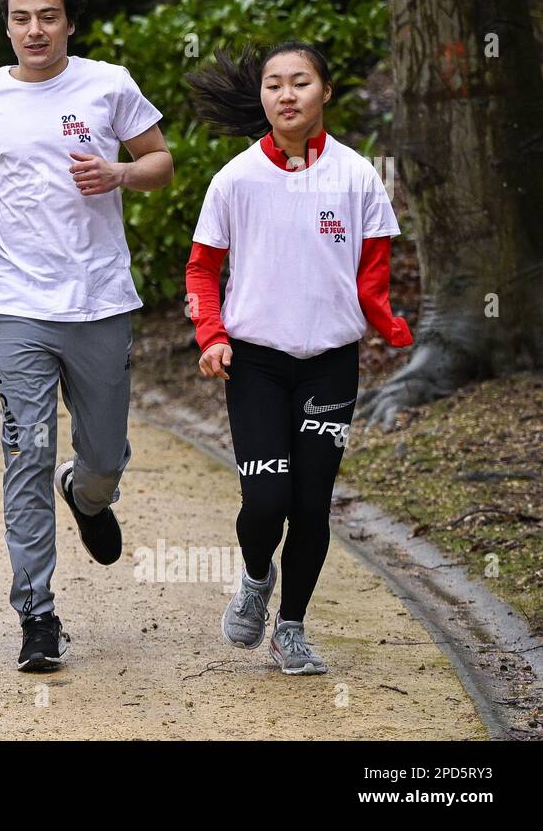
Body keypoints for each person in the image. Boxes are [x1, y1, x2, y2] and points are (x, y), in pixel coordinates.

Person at [0, 0, 174, 671]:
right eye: (21, 19)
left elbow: (160, 162)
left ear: (70, 23)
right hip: (17, 300)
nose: (35, 30)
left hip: (100, 297)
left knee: (105, 455)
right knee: (25, 452)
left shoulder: (108, 86)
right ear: (8, 27)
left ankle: (87, 496)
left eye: (48, 17)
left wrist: (117, 171)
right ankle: (38, 616)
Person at [184, 41, 412, 675]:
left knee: (311, 503)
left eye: (300, 82)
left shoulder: (358, 176)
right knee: (265, 502)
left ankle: (291, 627)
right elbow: (203, 271)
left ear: (325, 92)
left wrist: (388, 326)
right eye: (274, 84)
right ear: (263, 98)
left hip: (330, 362)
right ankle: (257, 578)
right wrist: (213, 336)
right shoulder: (234, 179)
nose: (286, 95)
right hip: (254, 361)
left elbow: (373, 275)